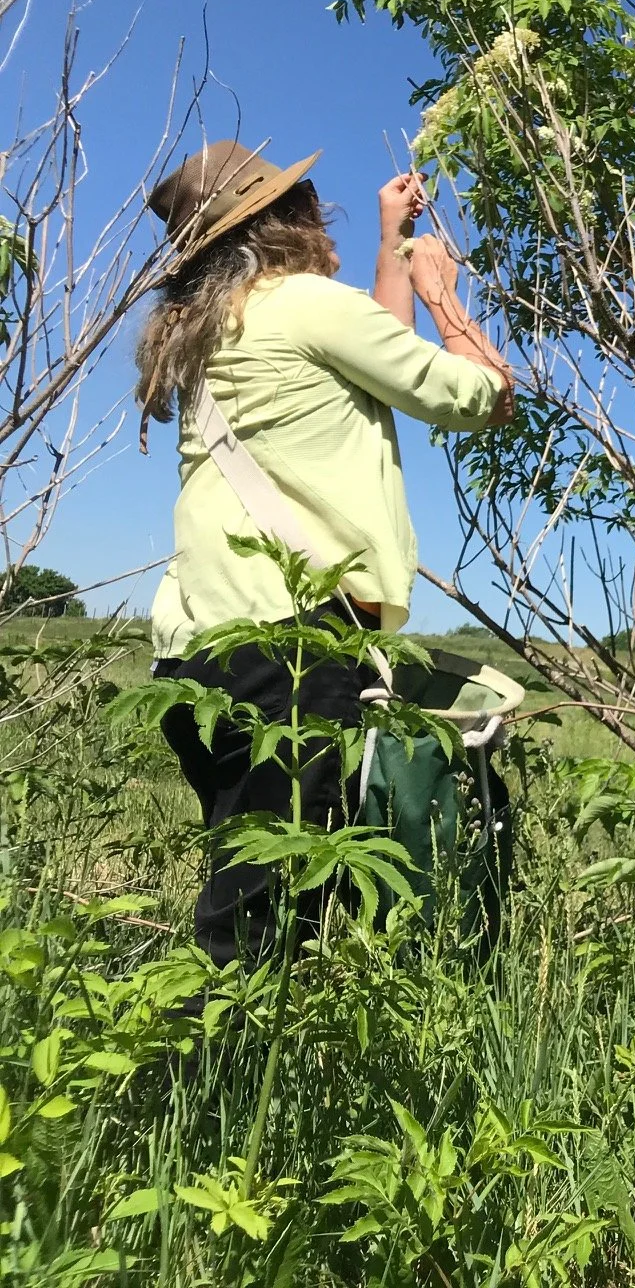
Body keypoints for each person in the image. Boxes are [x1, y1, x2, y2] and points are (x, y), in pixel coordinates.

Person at [136, 139, 512, 967]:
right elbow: (479, 397)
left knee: (271, 884)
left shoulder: (220, 323)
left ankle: (233, 1073)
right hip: (289, 651)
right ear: (286, 220)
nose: (319, 209)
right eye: (303, 201)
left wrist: (391, 243)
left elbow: (373, 356)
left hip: (197, 651)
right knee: (262, 922)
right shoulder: (305, 303)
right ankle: (214, 1085)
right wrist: (443, 293)